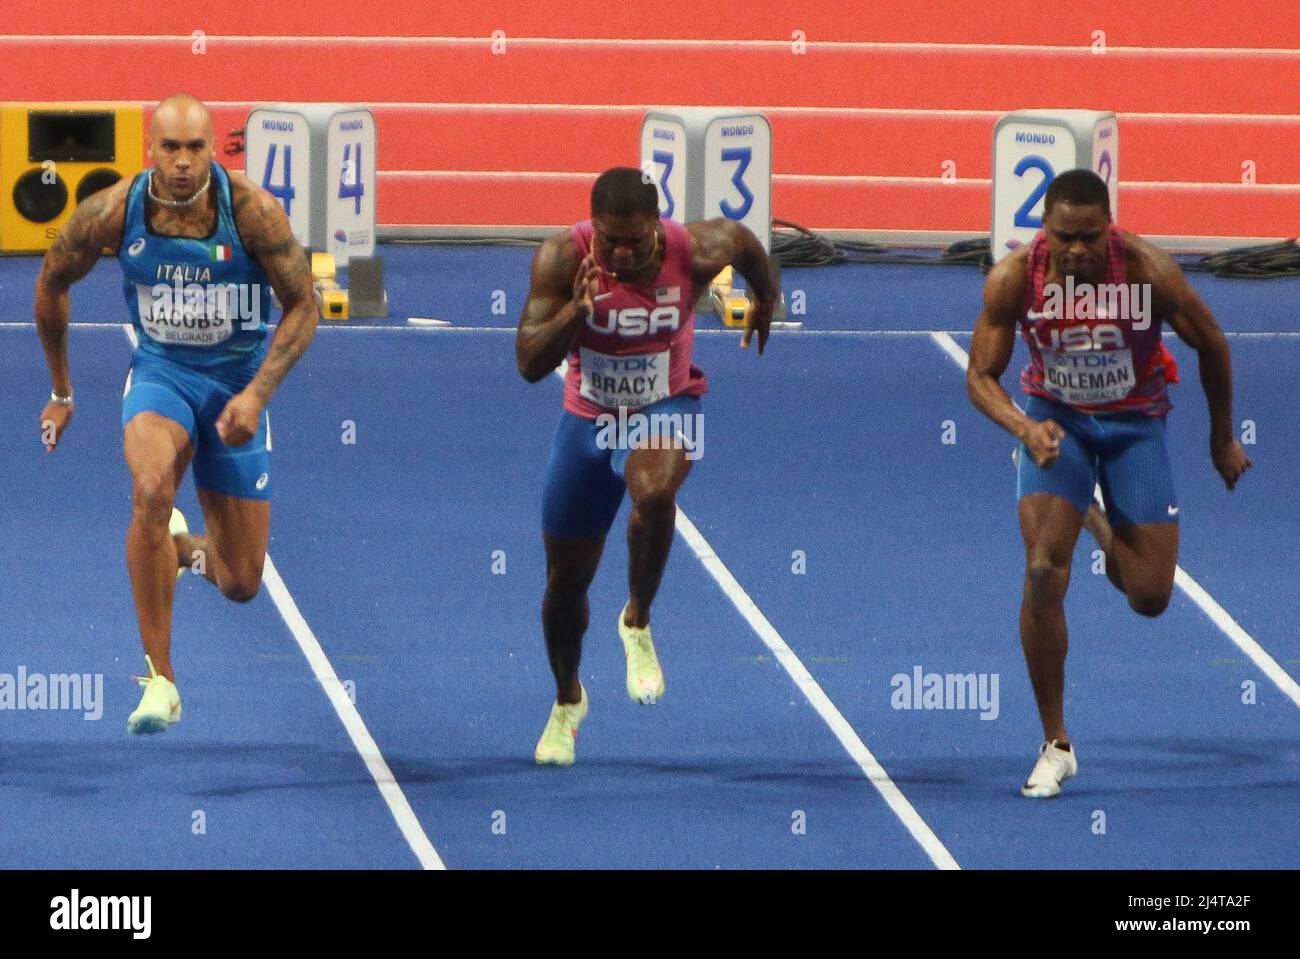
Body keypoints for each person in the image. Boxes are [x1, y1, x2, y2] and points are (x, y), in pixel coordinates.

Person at [35, 93, 317, 733]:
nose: (184, 163)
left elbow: (304, 306)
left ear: (212, 150)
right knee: (150, 488)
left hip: (236, 382)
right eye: (171, 148)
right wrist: (63, 391)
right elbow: (52, 282)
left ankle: (180, 548)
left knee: (242, 581)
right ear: (150, 150)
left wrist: (257, 394)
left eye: (196, 148)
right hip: (163, 375)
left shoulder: (253, 213)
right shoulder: (114, 211)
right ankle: (161, 679)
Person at [967, 169, 1252, 797]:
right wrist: (1023, 429)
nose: (1075, 249)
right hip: (1055, 422)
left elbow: (1211, 343)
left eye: (1088, 237)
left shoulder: (1148, 271)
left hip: (1134, 426)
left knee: (1149, 596)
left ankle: (1092, 511)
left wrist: (1221, 437)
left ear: (1109, 229)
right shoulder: (1015, 279)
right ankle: (1056, 744)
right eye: (1063, 235)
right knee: (1044, 570)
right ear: (1044, 229)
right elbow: (980, 376)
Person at [516, 167, 775, 765]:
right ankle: (567, 700)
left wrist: (767, 295)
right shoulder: (561, 258)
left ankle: (636, 620)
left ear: (657, 227)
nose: (624, 252)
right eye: (612, 241)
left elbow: (746, 244)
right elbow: (528, 363)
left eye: (636, 240)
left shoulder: (695, 251)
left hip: (667, 401)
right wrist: (575, 314)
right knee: (562, 588)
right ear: (593, 230)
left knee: (654, 493)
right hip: (587, 418)